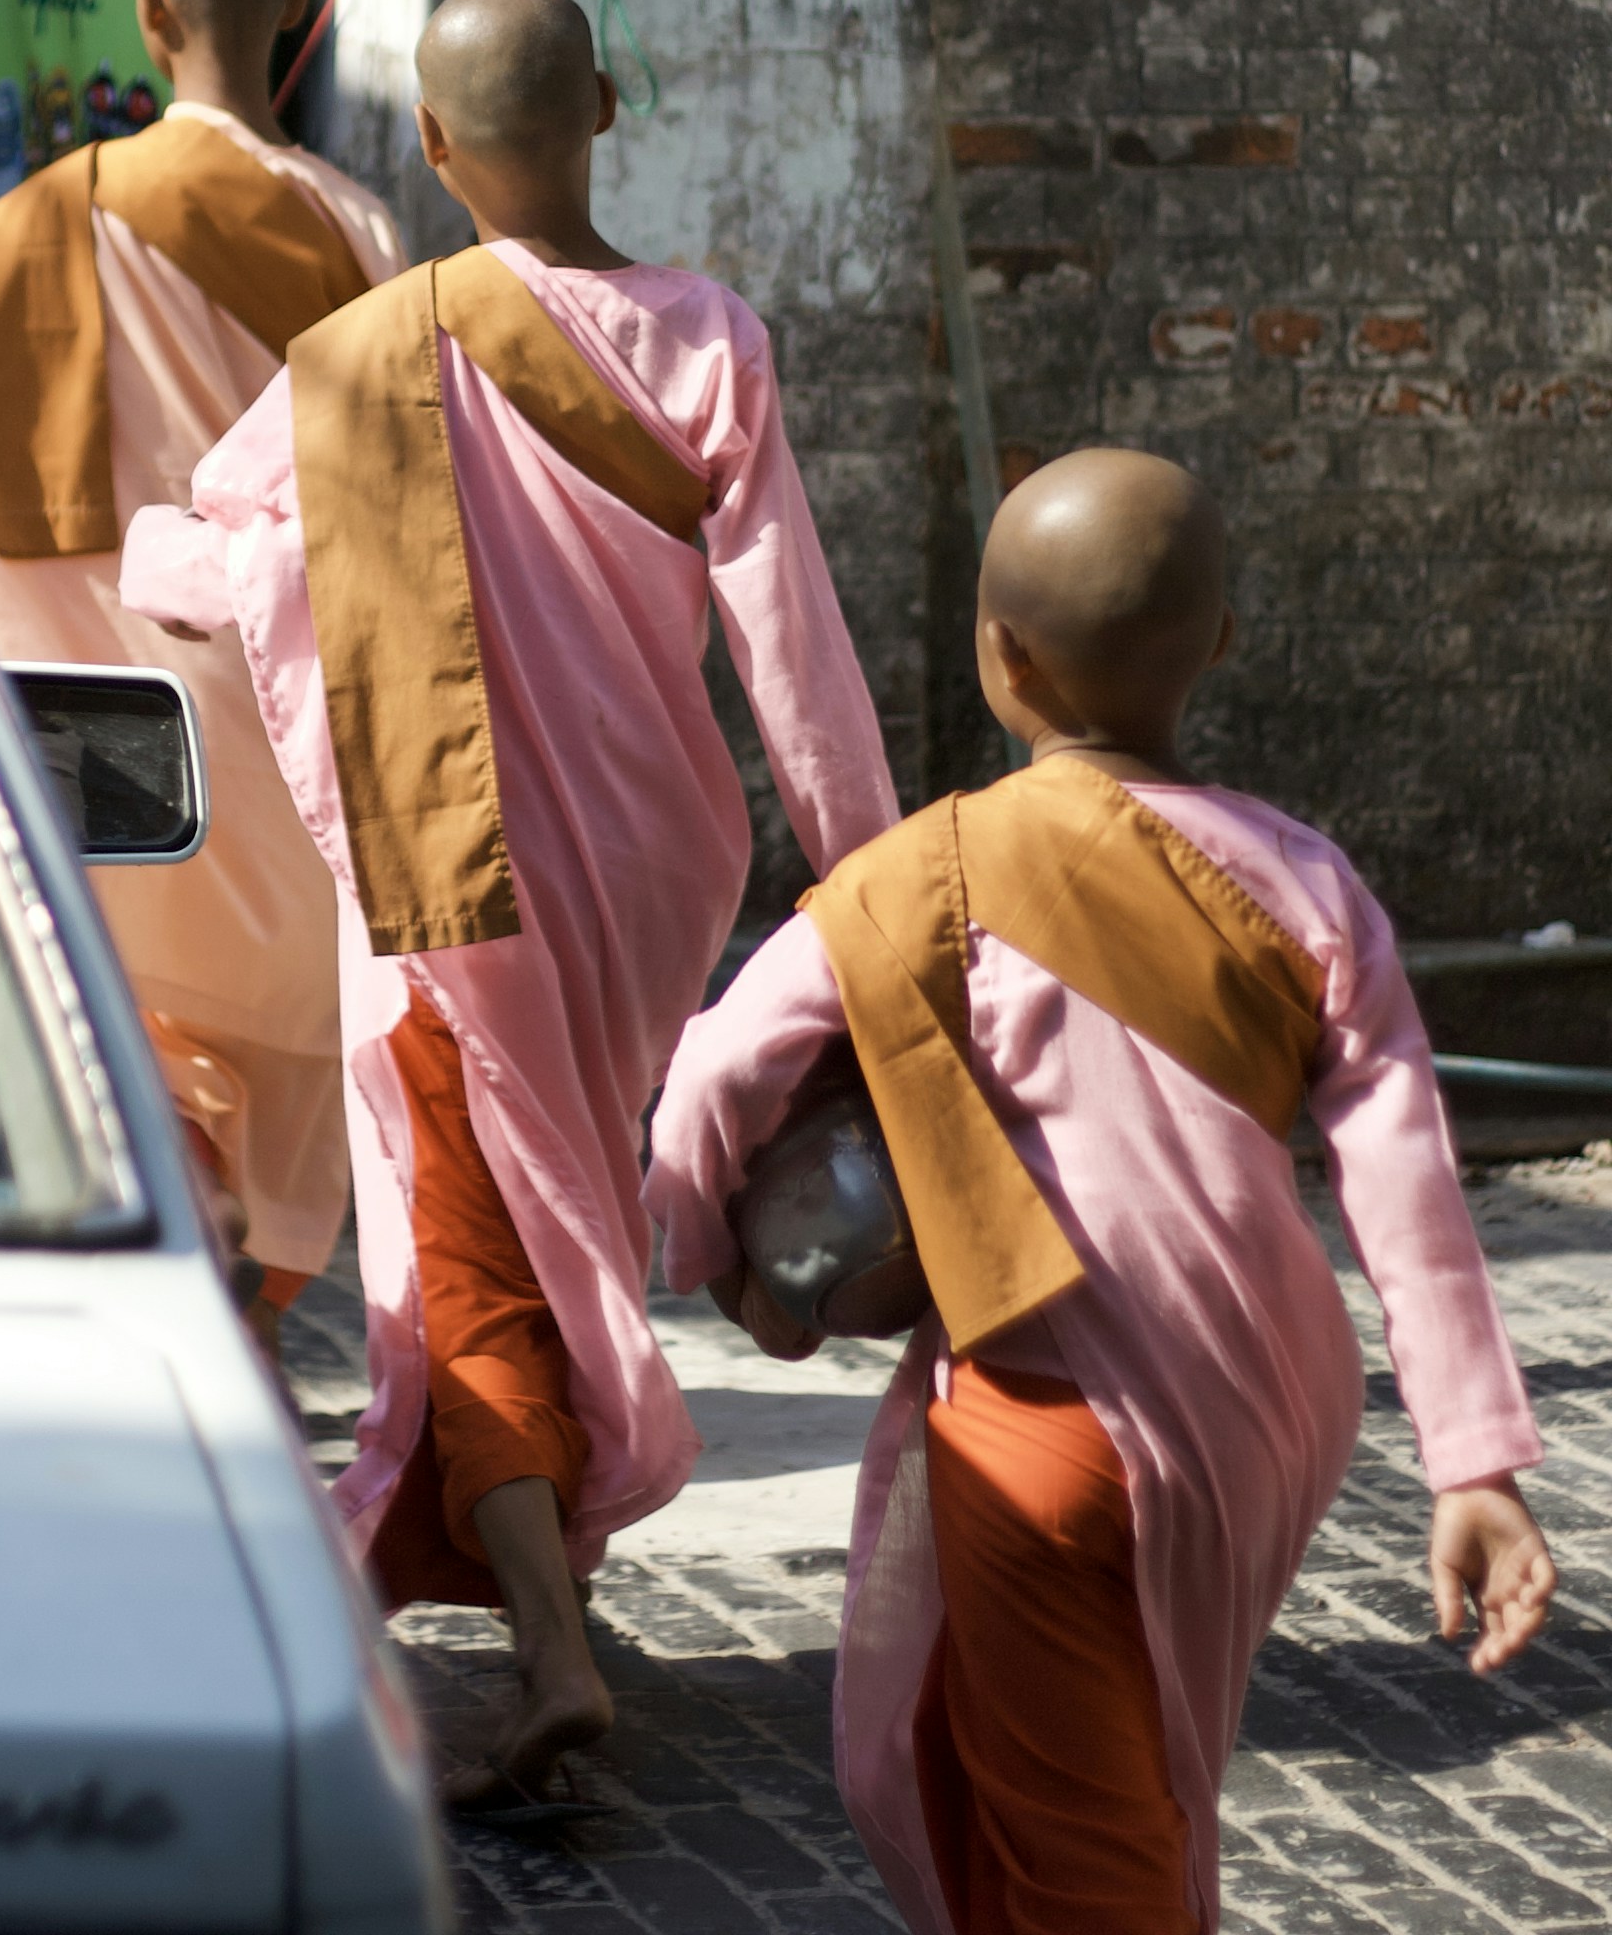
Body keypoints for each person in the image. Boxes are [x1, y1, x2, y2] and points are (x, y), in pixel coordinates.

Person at [119, 0, 897, 1813]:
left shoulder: (367, 350)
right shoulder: (710, 336)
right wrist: (866, 891)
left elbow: (195, 581)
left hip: (440, 865)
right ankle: (553, 1559)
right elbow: (793, 648)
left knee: (470, 1244)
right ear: (608, 104)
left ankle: (546, 1646)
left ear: (433, 149)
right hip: (650, 862)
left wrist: (188, 537)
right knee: (550, 1200)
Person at [646, 446, 1555, 1935]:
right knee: (1154, 1745)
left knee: (1085, 1841)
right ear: (1219, 644)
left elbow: (713, 1076)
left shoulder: (923, 869)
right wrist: (1472, 1463)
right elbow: (1405, 1171)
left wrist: (708, 1255)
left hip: (1052, 1422)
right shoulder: (1309, 882)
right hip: (1271, 1411)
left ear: (999, 660)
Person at [0, 0, 402, 1347]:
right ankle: (240, 1317)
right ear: (296, 6)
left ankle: (148, 1320)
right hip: (288, 752)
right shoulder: (364, 233)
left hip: (109, 756)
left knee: (129, 1052)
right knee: (280, 1065)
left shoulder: (44, 223)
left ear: (147, 13)